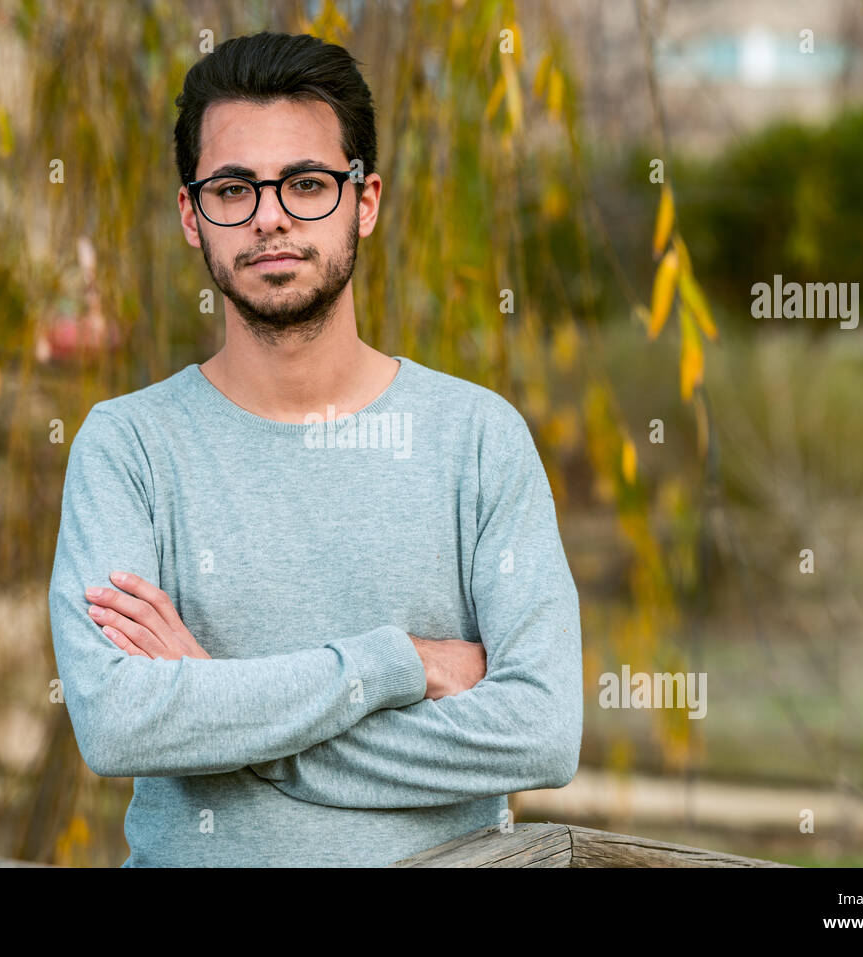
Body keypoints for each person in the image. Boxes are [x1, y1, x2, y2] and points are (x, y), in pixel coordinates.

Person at [48, 30, 582, 867]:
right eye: (233, 188)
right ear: (192, 216)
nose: (270, 217)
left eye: (305, 184)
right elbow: (119, 722)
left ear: (364, 201)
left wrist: (228, 719)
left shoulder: (477, 438)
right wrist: (398, 662)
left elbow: (541, 730)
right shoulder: (128, 447)